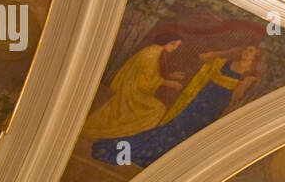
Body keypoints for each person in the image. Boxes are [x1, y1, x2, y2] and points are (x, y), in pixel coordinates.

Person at [90, 45, 263, 167]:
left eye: (250, 51)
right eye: (246, 49)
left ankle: (161, 159)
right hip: (199, 100)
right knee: (173, 128)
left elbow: (235, 98)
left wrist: (244, 84)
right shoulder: (224, 62)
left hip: (214, 107)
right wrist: (227, 51)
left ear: (255, 58)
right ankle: (134, 150)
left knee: (188, 136)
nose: (245, 52)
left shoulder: (248, 75)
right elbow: (203, 57)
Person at [80, 33, 185, 141]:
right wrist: (169, 83)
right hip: (132, 94)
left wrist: (171, 76)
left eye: (177, 45)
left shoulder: (153, 51)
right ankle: (128, 137)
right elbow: (143, 83)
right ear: (165, 40)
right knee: (158, 109)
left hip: (130, 90)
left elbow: (151, 74)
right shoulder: (152, 55)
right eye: (173, 44)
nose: (175, 48)